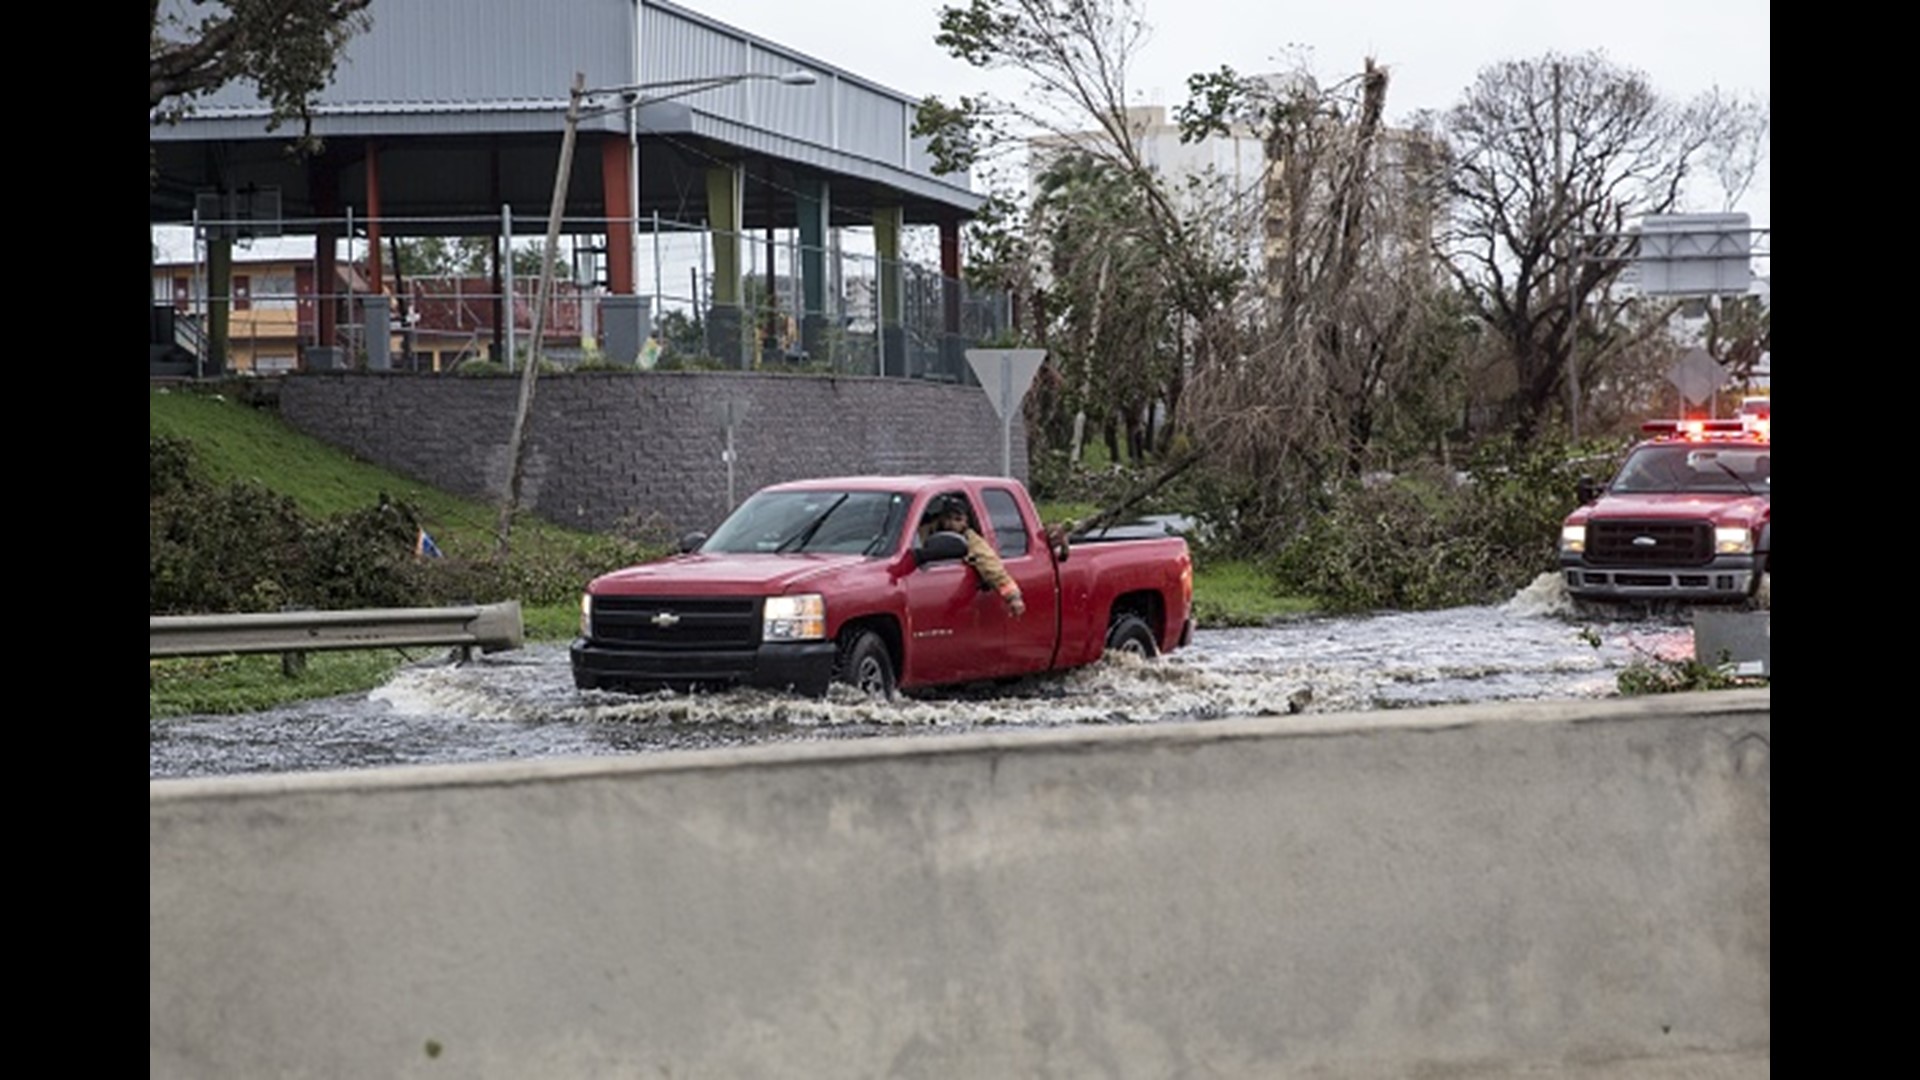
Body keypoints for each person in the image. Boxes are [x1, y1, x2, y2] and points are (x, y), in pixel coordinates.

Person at [919, 495, 1026, 617]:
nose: (951, 524)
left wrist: (1012, 596)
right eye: (948, 518)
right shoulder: (922, 532)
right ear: (941, 518)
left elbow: (991, 566)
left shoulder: (972, 541)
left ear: (966, 522)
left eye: (958, 519)